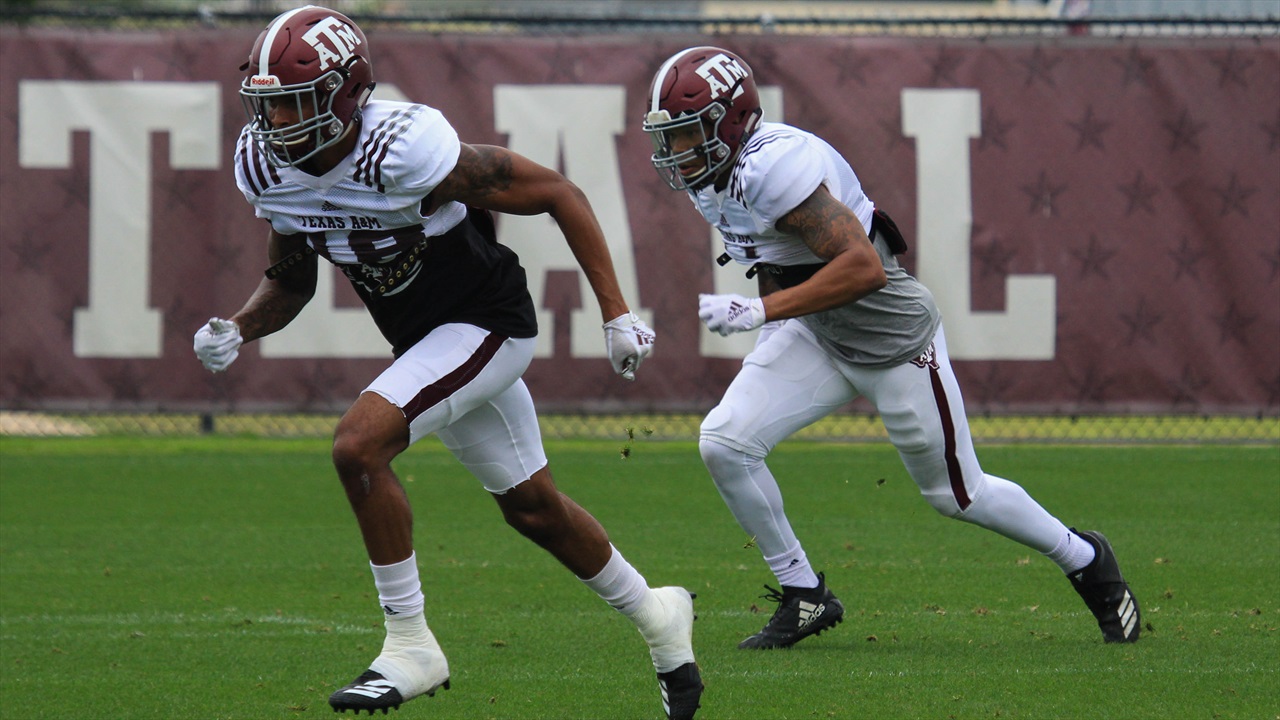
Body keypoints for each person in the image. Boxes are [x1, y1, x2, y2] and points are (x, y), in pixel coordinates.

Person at [193, 6, 703, 718]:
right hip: (425, 343)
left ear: (345, 96)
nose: (276, 122)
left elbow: (558, 193)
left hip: (486, 323)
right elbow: (292, 278)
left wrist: (616, 314)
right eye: (267, 104)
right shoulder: (265, 166)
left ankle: (409, 646)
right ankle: (660, 618)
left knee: (358, 445)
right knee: (533, 510)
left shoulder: (401, 150)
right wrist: (241, 327)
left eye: (293, 104)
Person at [641, 46, 1140, 650]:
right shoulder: (717, 179)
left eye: (688, 133)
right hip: (820, 333)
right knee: (725, 442)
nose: (677, 151)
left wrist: (760, 312)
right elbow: (773, 258)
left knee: (958, 495)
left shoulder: (774, 164)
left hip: (892, 338)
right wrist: (774, 327)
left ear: (730, 120)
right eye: (670, 136)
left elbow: (863, 267)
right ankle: (804, 595)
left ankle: (1087, 559)